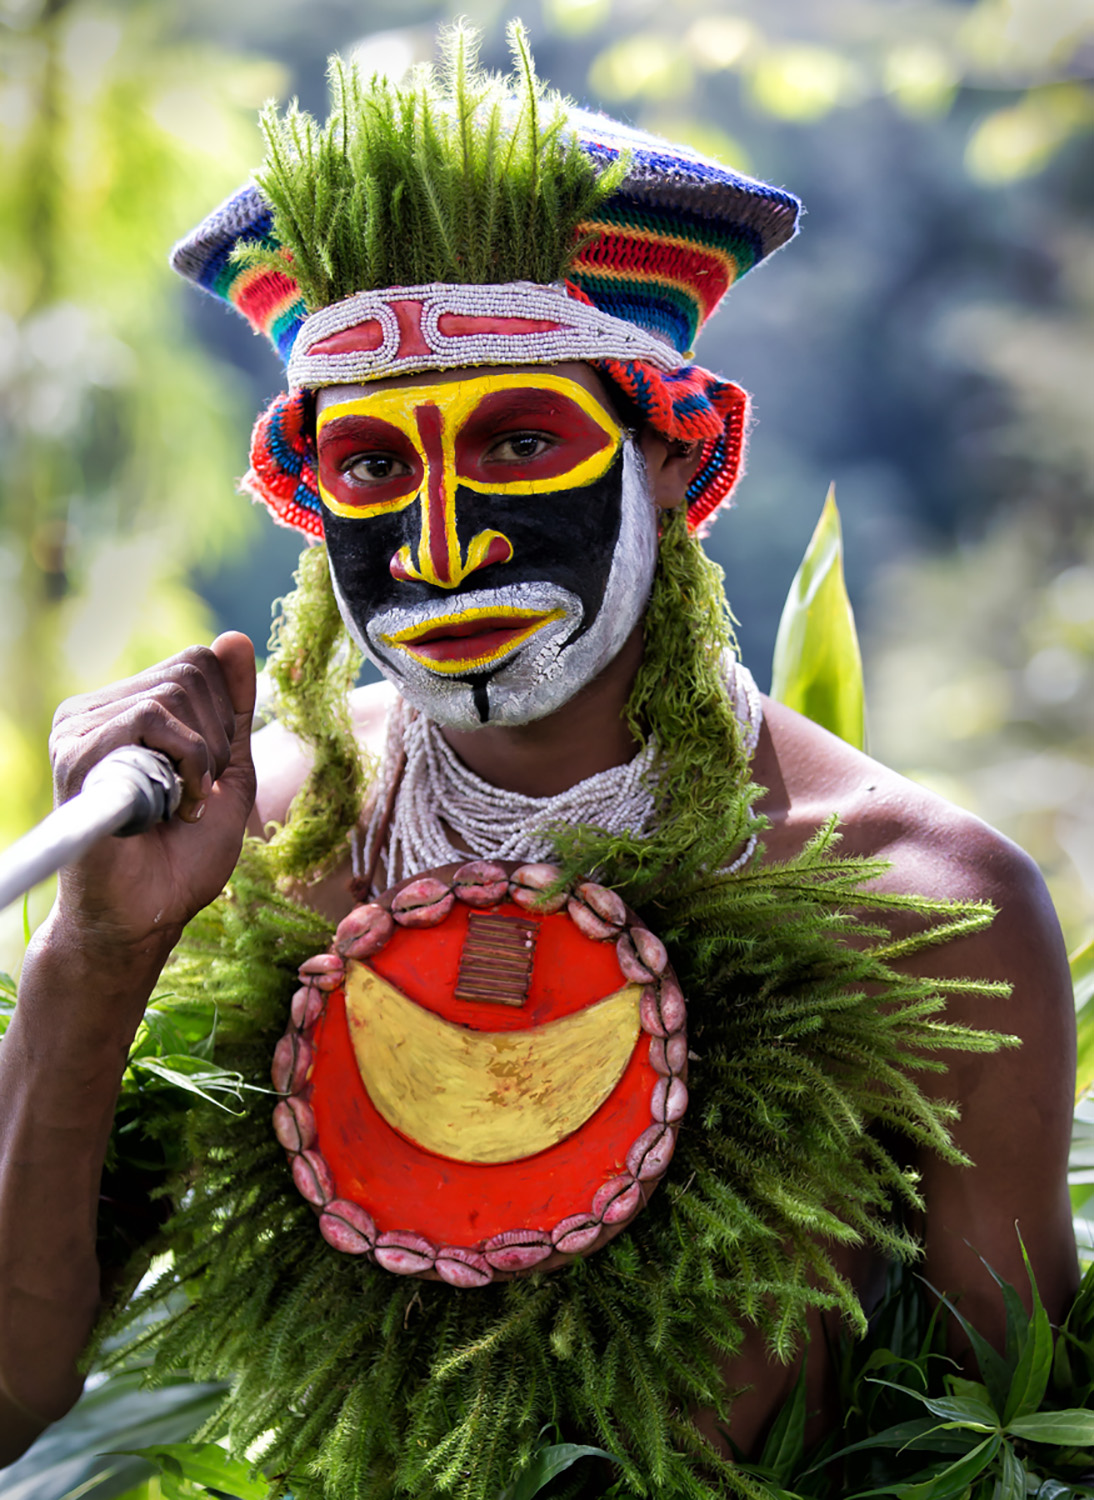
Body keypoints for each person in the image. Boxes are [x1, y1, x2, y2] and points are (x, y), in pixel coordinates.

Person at [0, 25, 1078, 1497]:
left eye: (515, 445)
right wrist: (97, 952)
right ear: (312, 506)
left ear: (670, 461)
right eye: (373, 464)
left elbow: (1006, 1452)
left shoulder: (916, 905)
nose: (441, 544)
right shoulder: (246, 846)